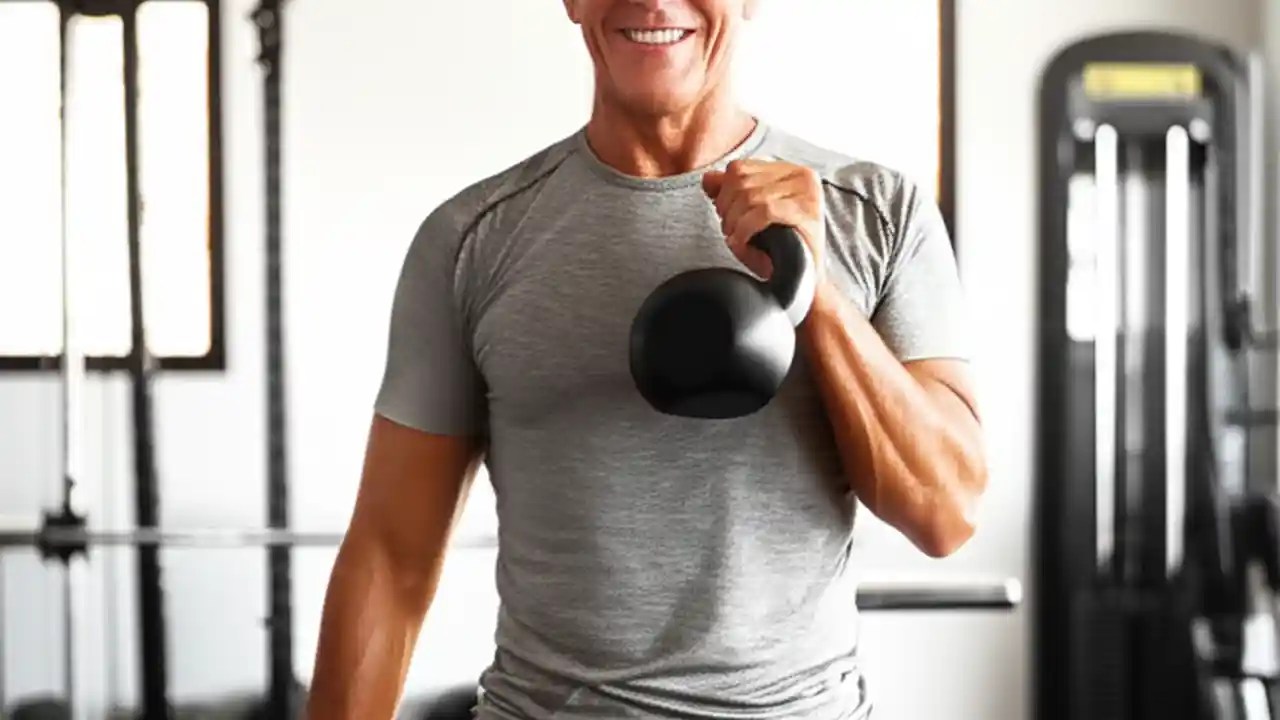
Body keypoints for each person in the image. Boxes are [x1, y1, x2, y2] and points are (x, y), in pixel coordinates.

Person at [305, 0, 988, 718]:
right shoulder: (471, 241)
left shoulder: (877, 214)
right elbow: (390, 558)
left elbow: (944, 513)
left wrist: (815, 294)